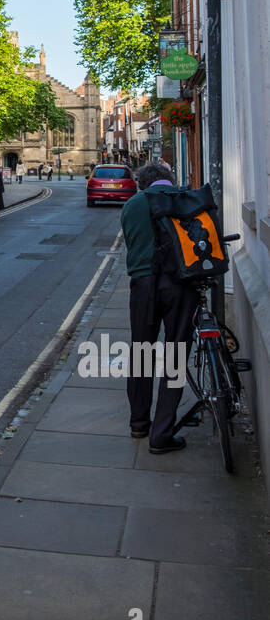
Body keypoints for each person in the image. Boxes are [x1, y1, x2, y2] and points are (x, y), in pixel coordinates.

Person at [120, 162, 198, 454]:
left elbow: (132, 245)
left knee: (141, 350)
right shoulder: (183, 199)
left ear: (143, 184)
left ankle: (139, 423)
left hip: (142, 285)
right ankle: (162, 434)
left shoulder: (131, 206)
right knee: (175, 355)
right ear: (168, 180)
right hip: (179, 284)